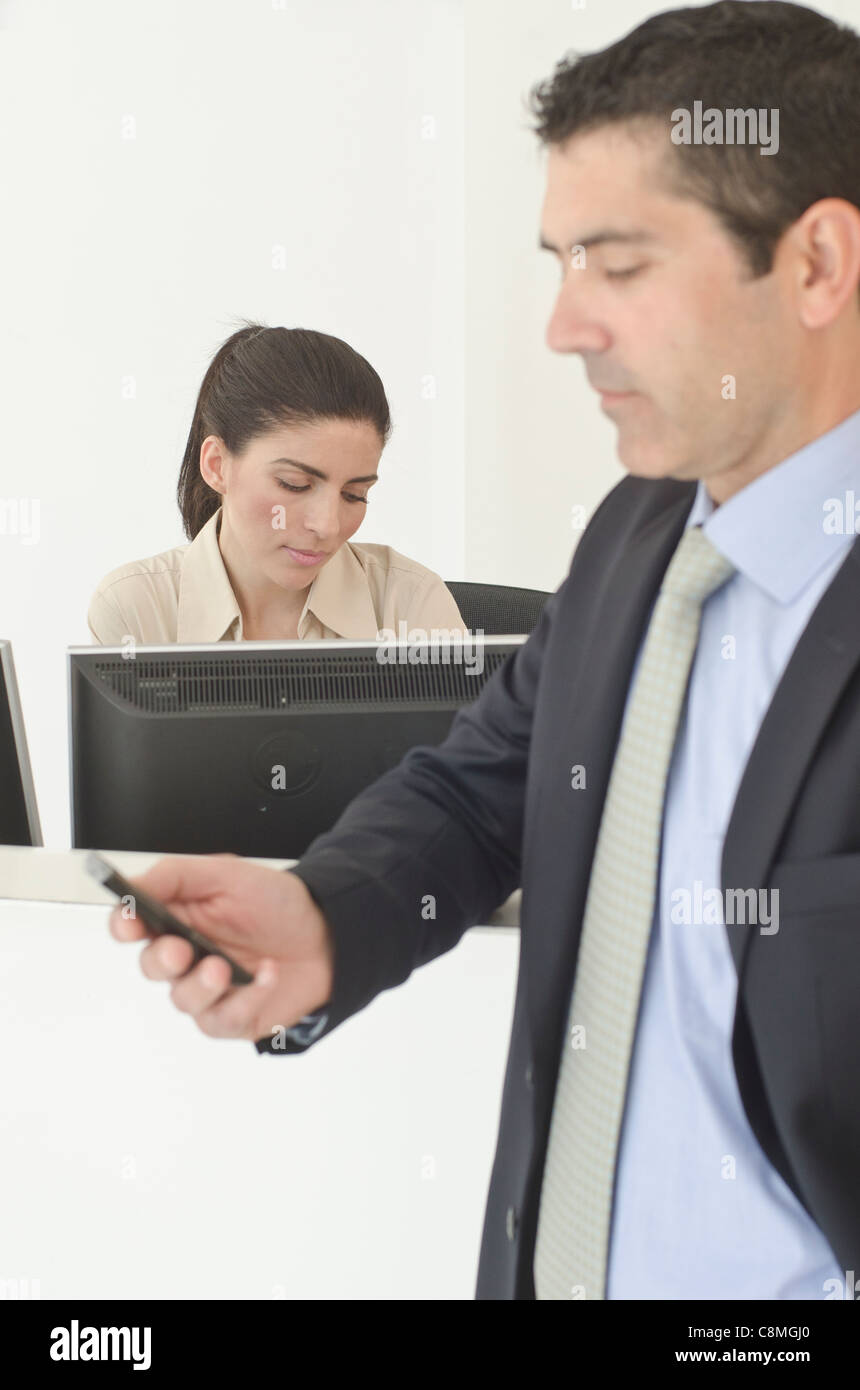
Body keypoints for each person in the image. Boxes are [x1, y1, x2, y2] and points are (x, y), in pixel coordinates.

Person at [108, 0, 860, 1299]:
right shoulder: (637, 535)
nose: (566, 324)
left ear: (817, 264)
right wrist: (325, 915)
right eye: (560, 261)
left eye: (618, 265)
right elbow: (480, 786)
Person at [87, 322, 465, 644]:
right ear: (217, 465)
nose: (328, 525)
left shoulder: (411, 605)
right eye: (294, 485)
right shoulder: (136, 611)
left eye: (355, 495)